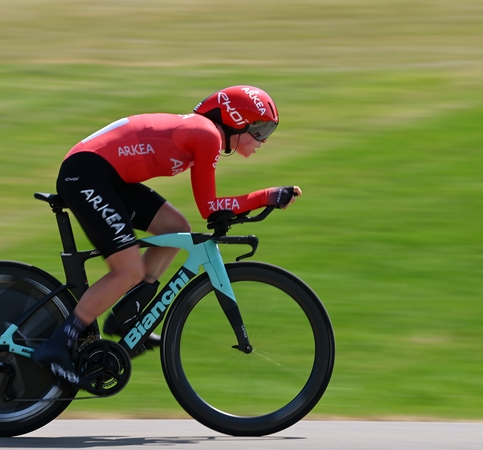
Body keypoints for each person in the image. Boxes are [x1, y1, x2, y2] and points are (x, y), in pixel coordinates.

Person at [32, 85, 302, 387]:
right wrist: (266, 196)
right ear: (236, 120)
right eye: (261, 130)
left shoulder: (202, 132)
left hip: (106, 176)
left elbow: (209, 210)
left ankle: (126, 316)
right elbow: (210, 208)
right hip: (86, 174)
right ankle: (58, 344)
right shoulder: (207, 135)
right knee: (128, 269)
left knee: (175, 228)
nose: (264, 140)